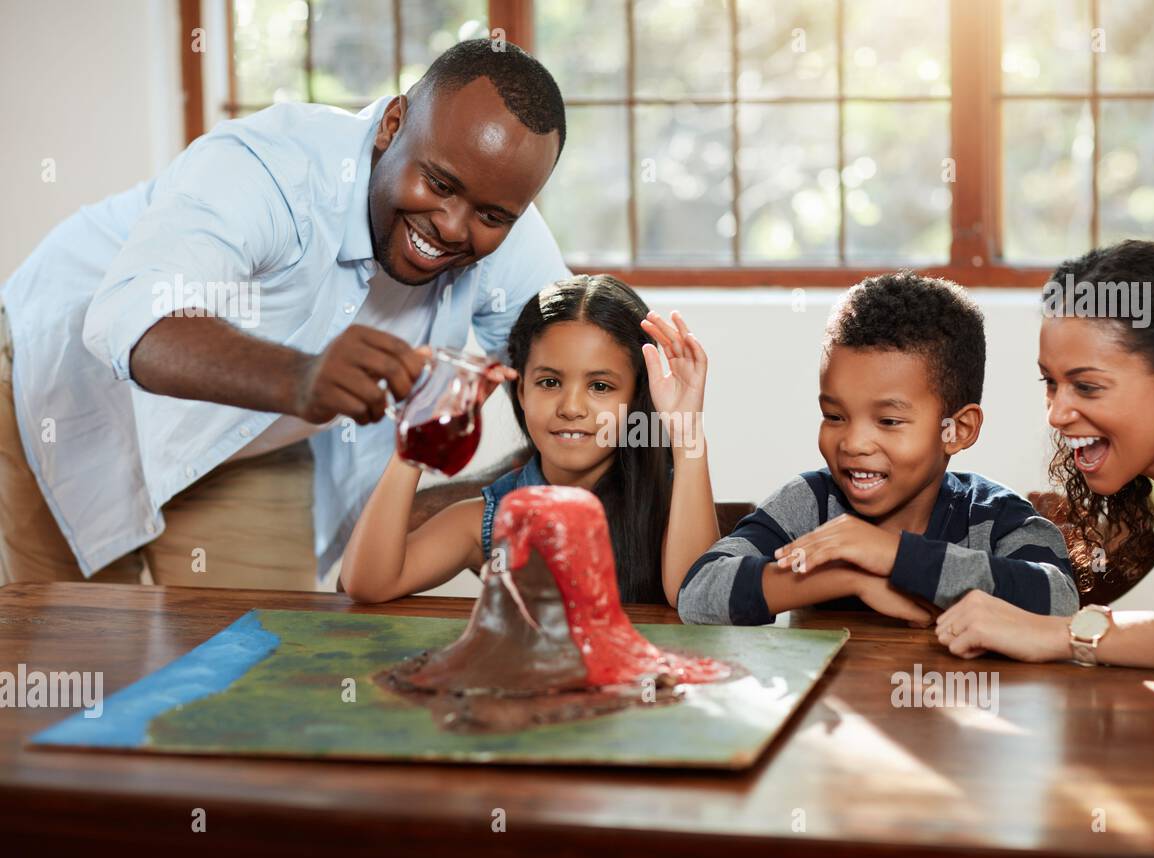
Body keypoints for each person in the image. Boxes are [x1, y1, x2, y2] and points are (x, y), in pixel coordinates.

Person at [0, 39, 567, 590]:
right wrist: (301, 378)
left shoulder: (507, 232)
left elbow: (584, 375)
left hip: (252, 436)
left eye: (491, 215)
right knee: (86, 656)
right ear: (392, 124)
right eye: (438, 183)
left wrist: (468, 507)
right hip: (72, 391)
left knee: (254, 655)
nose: (451, 224)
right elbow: (132, 316)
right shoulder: (272, 168)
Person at [934, 241, 1154, 674]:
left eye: (1086, 387)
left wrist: (1067, 636)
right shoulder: (1150, 487)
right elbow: (1054, 593)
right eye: (1050, 382)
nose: (1056, 414)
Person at [676, 272, 1079, 626]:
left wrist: (895, 556)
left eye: (888, 421)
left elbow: (1059, 600)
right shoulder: (811, 504)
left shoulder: (994, 518)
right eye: (834, 416)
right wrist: (850, 574)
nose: (853, 443)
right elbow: (697, 592)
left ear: (956, 429)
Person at [340, 274, 719, 606]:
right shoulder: (490, 518)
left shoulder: (672, 506)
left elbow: (698, 596)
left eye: (600, 386)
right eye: (549, 382)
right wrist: (416, 435)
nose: (571, 407)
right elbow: (367, 584)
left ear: (638, 397)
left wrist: (686, 434)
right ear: (520, 391)